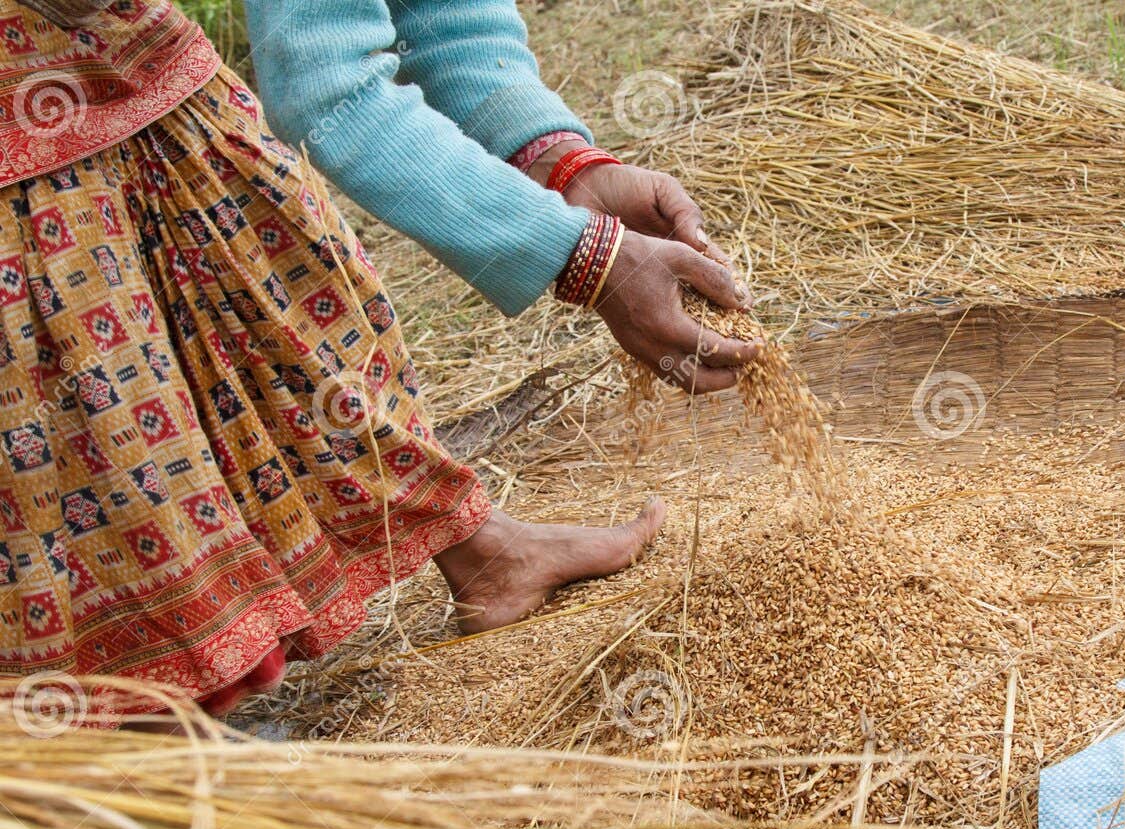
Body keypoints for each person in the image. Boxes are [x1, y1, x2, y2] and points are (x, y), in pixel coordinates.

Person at [0, 0, 756, 720]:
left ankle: (482, 553)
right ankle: (139, 749)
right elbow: (331, 87)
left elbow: (432, 12)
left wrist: (554, 158)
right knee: (99, 437)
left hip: (133, 65)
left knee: (285, 308)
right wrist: (585, 257)